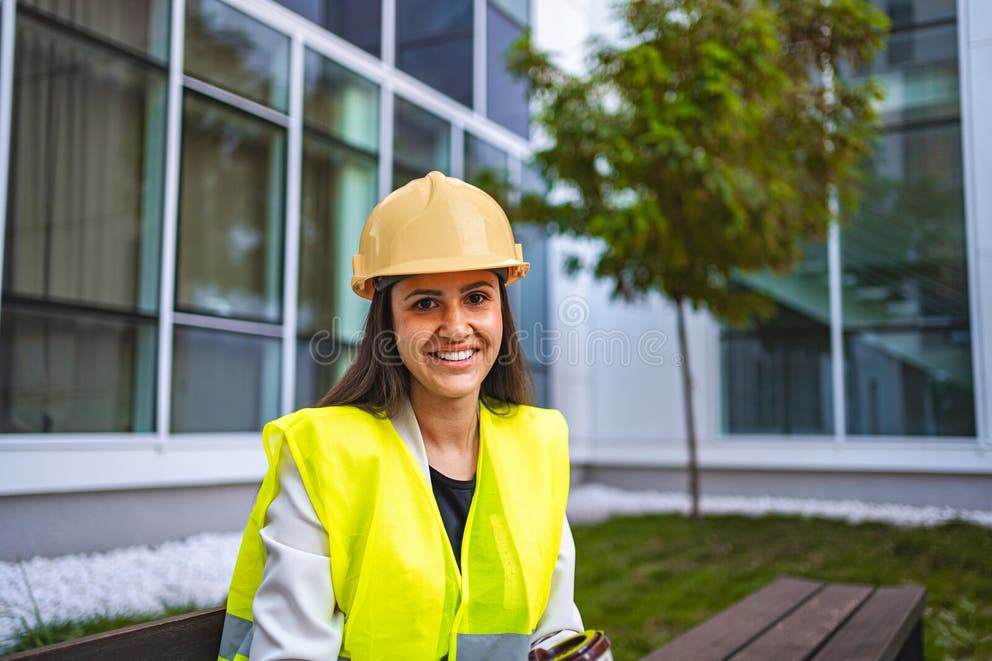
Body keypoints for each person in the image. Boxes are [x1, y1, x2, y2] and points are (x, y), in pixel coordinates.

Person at [218, 171, 584, 661]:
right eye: (426, 303)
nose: (456, 327)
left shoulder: (537, 444)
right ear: (387, 322)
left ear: (502, 312)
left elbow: (555, 630)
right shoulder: (326, 455)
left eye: (476, 297)